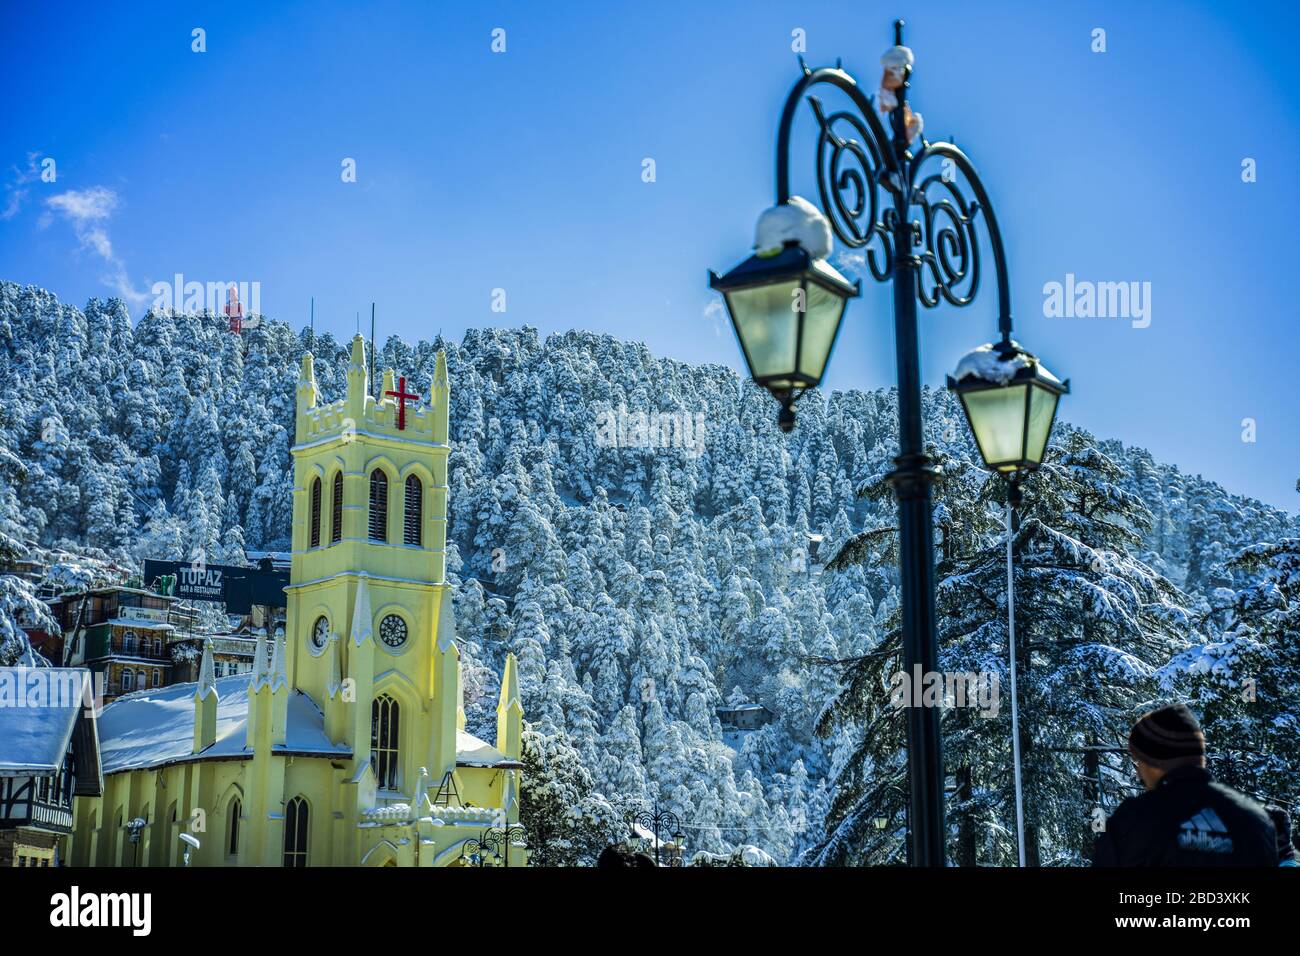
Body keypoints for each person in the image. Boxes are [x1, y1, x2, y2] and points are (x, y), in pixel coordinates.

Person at [1093, 703, 1278, 866]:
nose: (1138, 772)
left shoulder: (1133, 819)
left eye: (1140, 761)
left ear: (1158, 761)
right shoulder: (1256, 820)